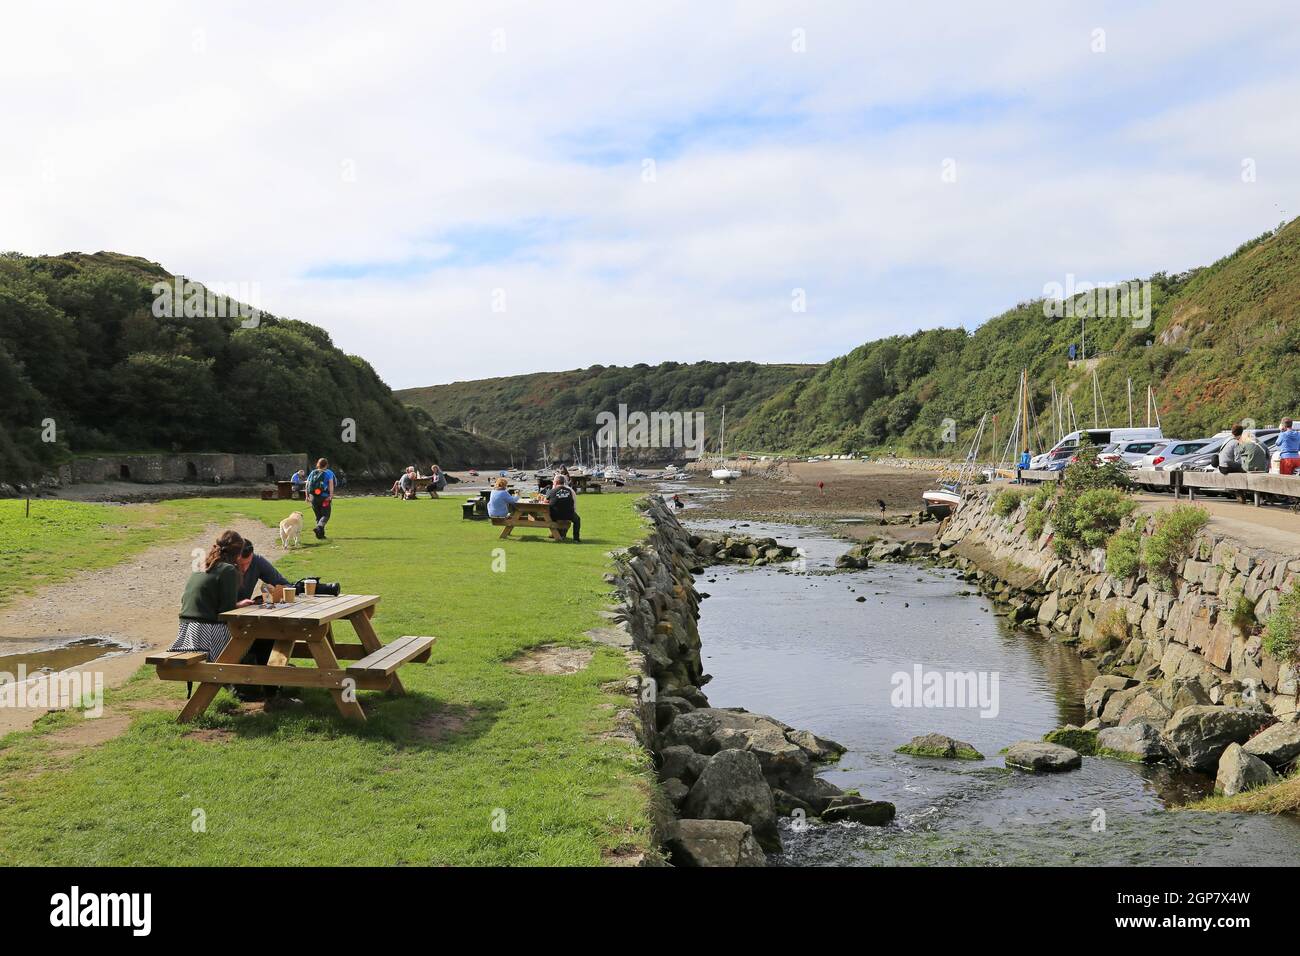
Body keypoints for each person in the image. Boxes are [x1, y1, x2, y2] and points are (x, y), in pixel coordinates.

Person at [170, 531, 253, 677]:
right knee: (253, 641)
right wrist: (242, 606)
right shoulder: (228, 570)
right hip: (206, 631)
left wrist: (238, 605)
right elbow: (227, 612)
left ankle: (243, 686)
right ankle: (250, 687)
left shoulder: (204, 565)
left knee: (249, 642)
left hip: (186, 630)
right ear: (239, 554)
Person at [305, 457, 336, 538]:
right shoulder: (329, 473)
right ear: (326, 465)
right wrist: (331, 496)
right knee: (326, 515)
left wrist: (306, 496)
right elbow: (331, 485)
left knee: (318, 516)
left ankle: (320, 535)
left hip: (313, 497)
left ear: (318, 464)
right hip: (324, 497)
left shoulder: (313, 472)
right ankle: (319, 527)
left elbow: (307, 485)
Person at [545, 473, 581, 542]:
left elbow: (545, 501)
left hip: (555, 515)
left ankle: (557, 534)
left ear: (556, 482)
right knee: (577, 520)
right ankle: (576, 538)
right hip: (569, 514)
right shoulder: (569, 490)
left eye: (554, 482)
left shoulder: (552, 491)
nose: (553, 483)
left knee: (547, 515)